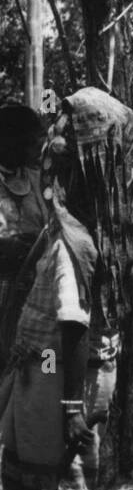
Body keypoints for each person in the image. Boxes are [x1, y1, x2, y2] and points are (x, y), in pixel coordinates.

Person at [0, 88, 133, 490]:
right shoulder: (93, 223)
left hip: (55, 373)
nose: (43, 150)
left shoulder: (72, 236)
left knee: (52, 487)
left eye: (52, 143)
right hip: (45, 367)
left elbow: (73, 323)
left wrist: (70, 407)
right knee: (19, 481)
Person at [0, 105, 47, 367]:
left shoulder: (38, 179)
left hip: (30, 294)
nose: (36, 149)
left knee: (26, 368)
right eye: (31, 142)